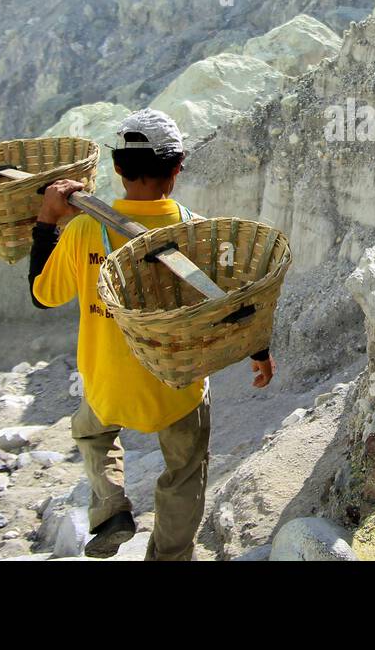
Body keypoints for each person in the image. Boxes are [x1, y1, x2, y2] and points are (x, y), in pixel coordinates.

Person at [28, 108, 275, 560]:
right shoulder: (198, 232)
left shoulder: (85, 228)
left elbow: (43, 295)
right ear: (178, 167)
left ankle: (111, 507)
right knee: (184, 473)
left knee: (90, 432)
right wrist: (259, 351)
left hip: (109, 385)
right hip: (175, 389)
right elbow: (231, 302)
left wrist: (47, 221)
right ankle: (170, 556)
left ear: (117, 169)